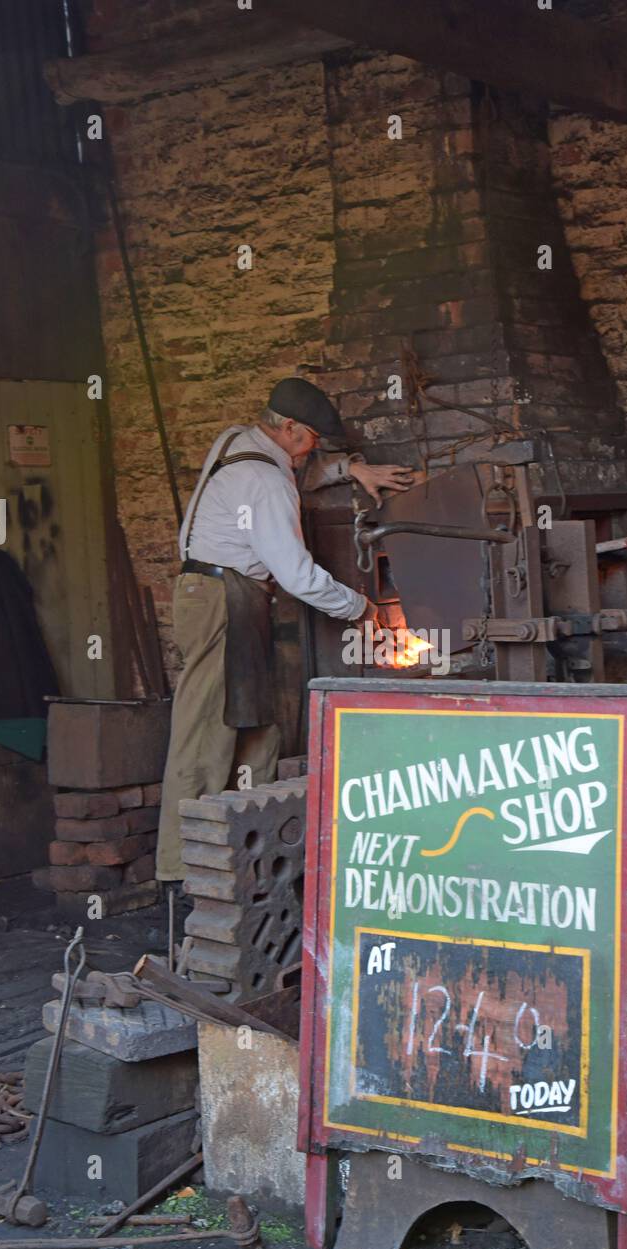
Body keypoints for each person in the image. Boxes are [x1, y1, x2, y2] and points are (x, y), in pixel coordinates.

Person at [155, 376, 413, 892]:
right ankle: (183, 873)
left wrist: (349, 469)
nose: (312, 450)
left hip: (227, 594)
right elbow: (297, 576)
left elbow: (291, 470)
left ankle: (249, 863)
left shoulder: (237, 441)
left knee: (255, 729)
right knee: (206, 733)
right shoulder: (266, 484)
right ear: (290, 427)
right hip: (222, 600)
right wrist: (360, 607)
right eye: (312, 439)